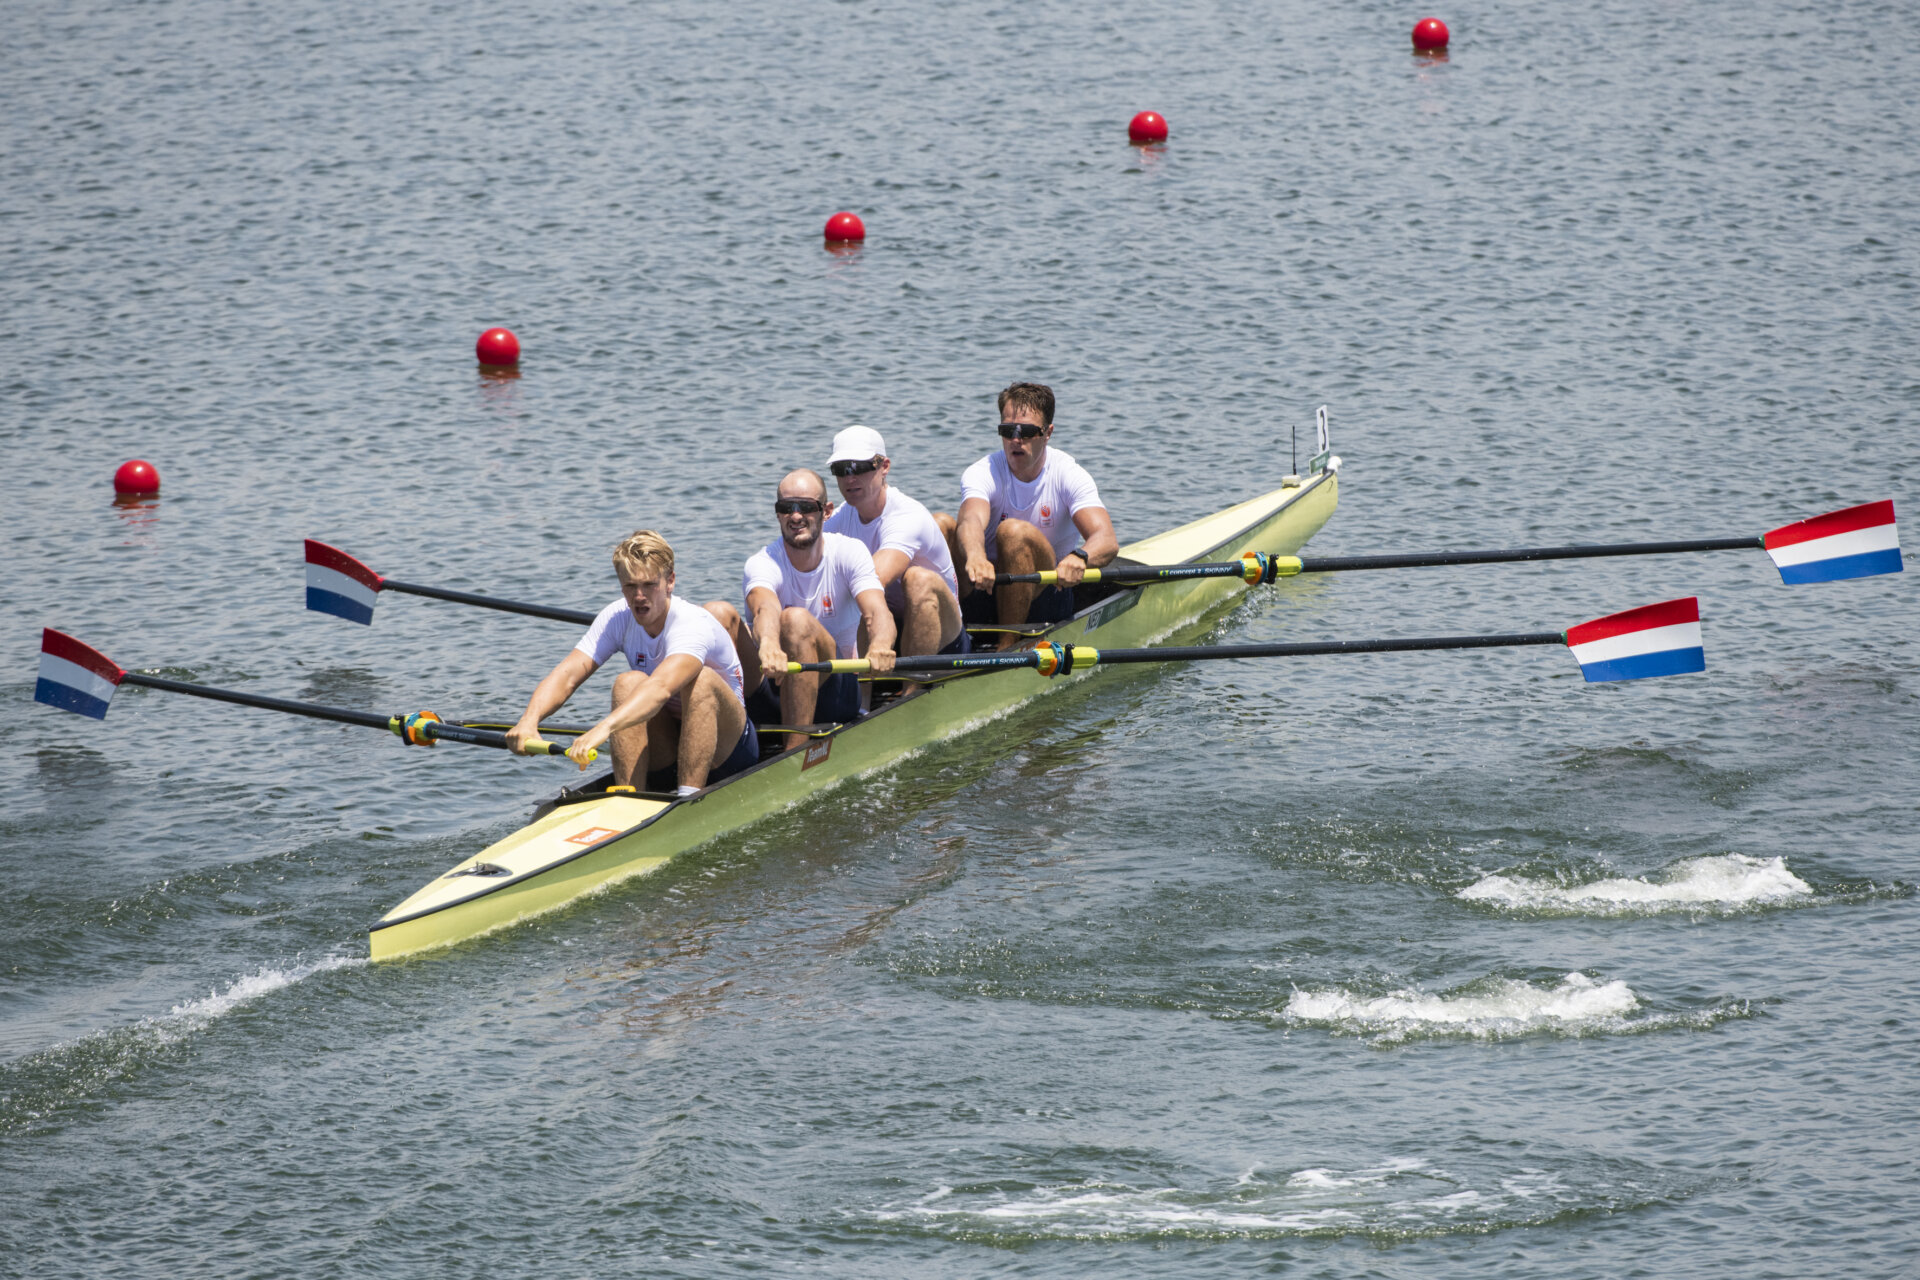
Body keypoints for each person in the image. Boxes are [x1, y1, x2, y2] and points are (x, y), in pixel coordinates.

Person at [505, 531, 756, 796]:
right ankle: (627, 796)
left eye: (649, 584)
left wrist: (603, 729)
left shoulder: (691, 625)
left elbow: (660, 688)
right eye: (630, 586)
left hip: (730, 750)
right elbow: (567, 675)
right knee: (628, 683)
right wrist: (529, 720)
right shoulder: (617, 617)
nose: (639, 596)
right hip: (669, 745)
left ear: (670, 581)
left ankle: (688, 797)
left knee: (701, 680)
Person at [712, 469, 896, 752]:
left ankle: (794, 752)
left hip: (834, 691)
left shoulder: (849, 552)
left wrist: (881, 646)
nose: (796, 516)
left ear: (827, 511)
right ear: (778, 514)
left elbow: (877, 611)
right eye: (787, 507)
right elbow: (764, 608)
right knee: (716, 615)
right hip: (774, 683)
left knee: (795, 620)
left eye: (807, 507)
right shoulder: (762, 562)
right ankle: (720, 754)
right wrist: (769, 644)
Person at [937, 382, 1118, 641]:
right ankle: (937, 643)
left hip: (1046, 597)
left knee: (1013, 532)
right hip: (984, 590)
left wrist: (1080, 557)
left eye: (1027, 431)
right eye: (1007, 430)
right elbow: (971, 519)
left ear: (1048, 433)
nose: (1015, 439)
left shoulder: (1068, 474)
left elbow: (1106, 539)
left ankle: (1007, 645)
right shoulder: (982, 471)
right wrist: (976, 556)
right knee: (939, 525)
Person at [822, 424, 966, 660]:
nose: (850, 477)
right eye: (840, 469)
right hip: (883, 627)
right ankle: (861, 683)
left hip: (944, 637)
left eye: (859, 467)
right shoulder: (838, 519)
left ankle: (912, 681)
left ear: (885, 467)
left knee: (914, 579)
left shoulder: (906, 516)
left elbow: (873, 579)